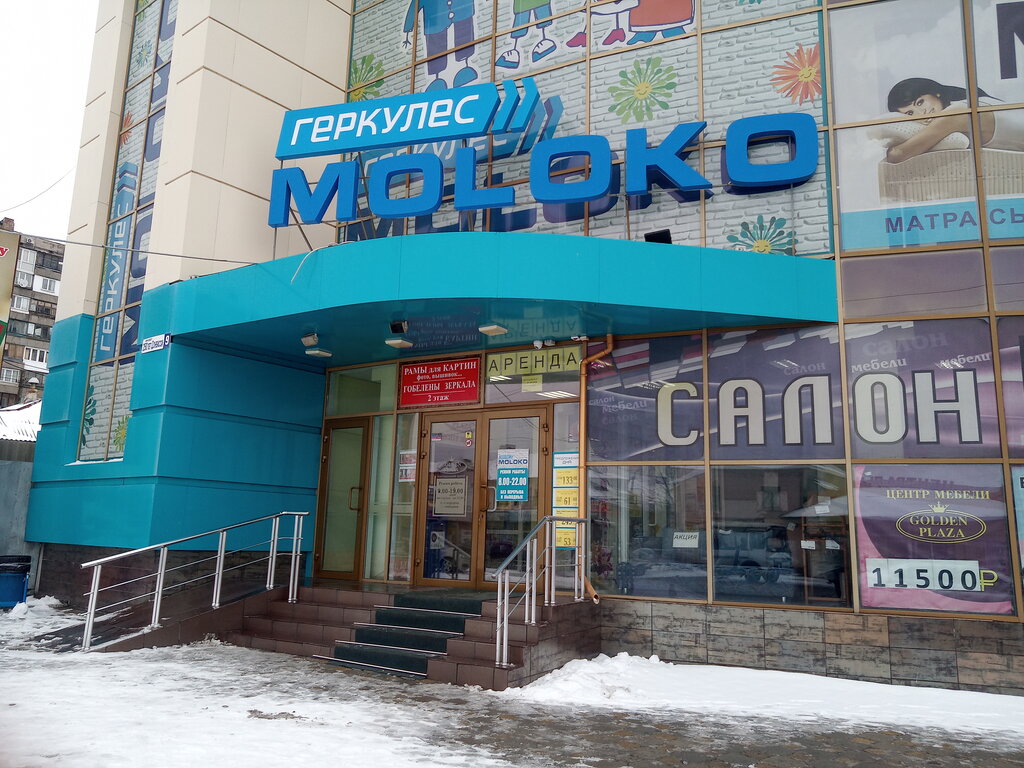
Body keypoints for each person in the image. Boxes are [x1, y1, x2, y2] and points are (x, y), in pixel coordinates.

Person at [884, 77, 1024, 162]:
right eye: (910, 113)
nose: (921, 113)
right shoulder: (968, 105)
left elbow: (898, 155)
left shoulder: (956, 112)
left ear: (936, 93)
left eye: (920, 102)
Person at [404, 0, 478, 90]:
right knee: (436, 50)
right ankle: (437, 78)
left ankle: (464, 67)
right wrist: (408, 28)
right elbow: (415, 5)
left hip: (462, 11)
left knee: (464, 38)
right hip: (436, 23)